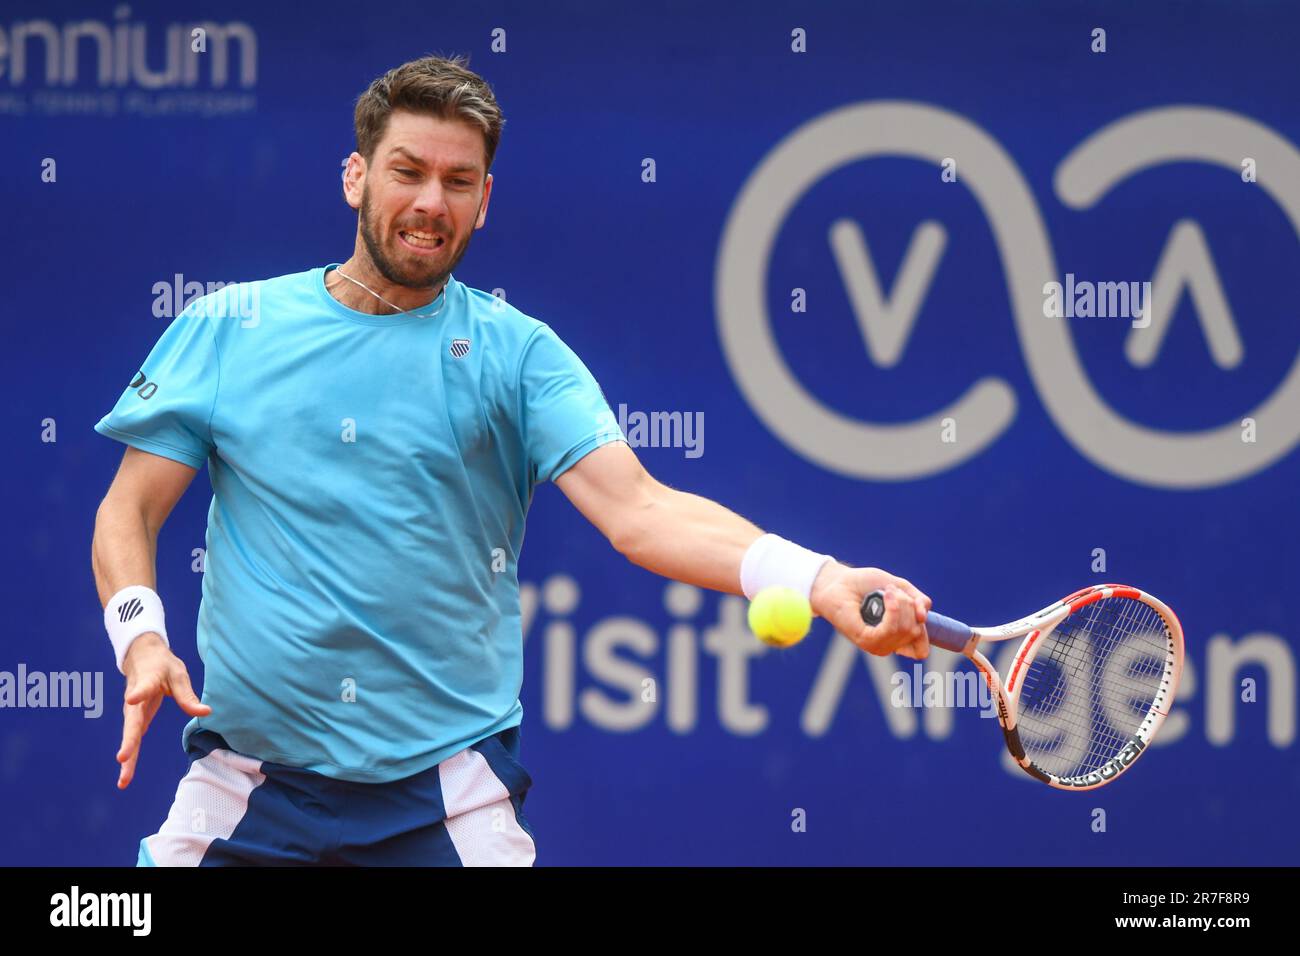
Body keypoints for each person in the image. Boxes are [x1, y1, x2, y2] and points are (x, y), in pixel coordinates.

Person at [91, 54, 932, 867]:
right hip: (246, 781)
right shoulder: (231, 327)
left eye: (458, 182)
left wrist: (814, 577)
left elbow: (641, 512)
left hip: (445, 796)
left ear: (485, 199)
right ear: (355, 177)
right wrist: (142, 639)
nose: (430, 203)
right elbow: (129, 509)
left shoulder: (521, 358)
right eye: (407, 172)